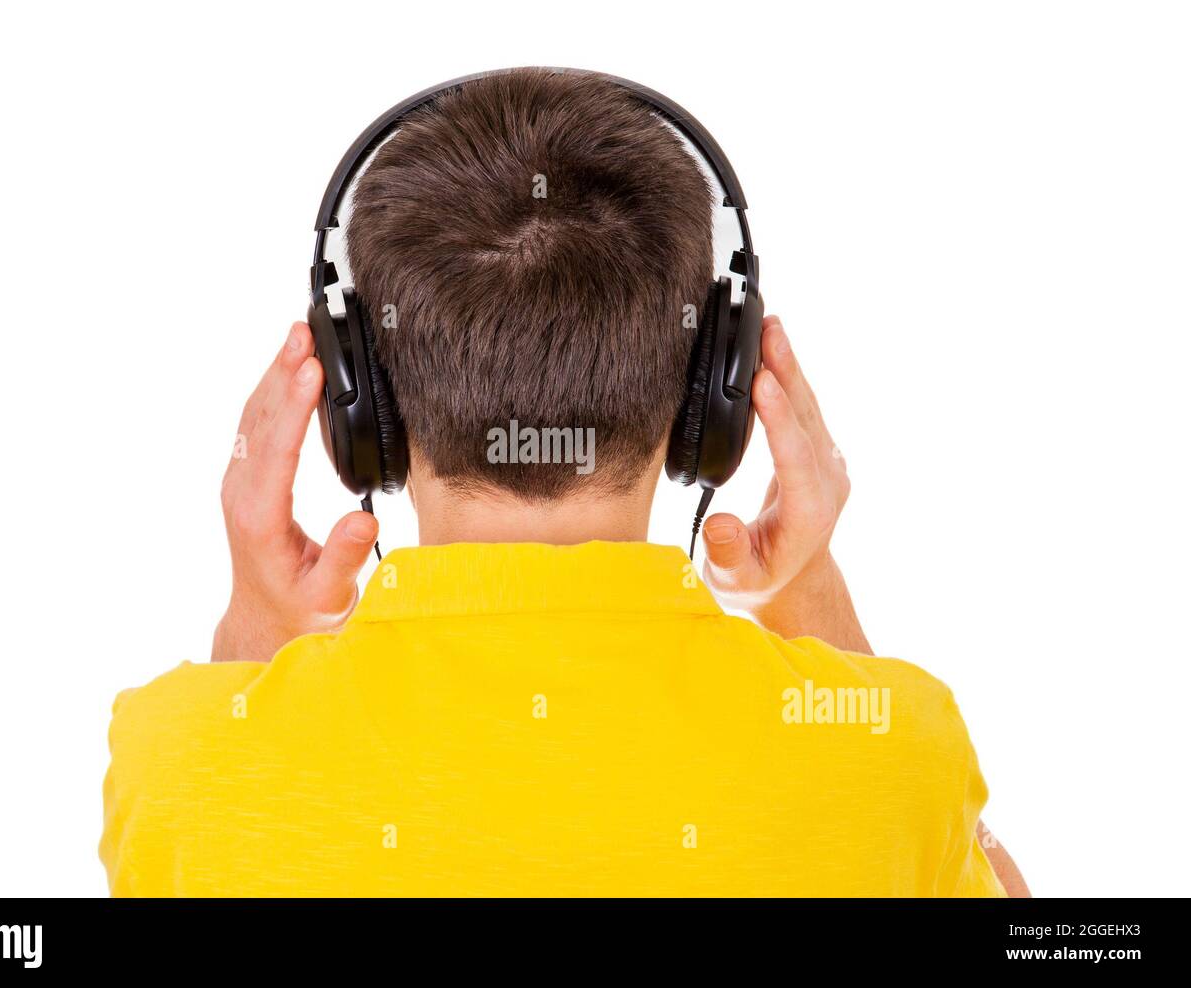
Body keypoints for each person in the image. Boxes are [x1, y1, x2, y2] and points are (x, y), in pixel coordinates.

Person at [100, 68, 1026, 896]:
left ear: (362, 400)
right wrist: (807, 592)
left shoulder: (173, 763)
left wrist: (258, 622)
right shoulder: (898, 753)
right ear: (715, 393)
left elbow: (219, 830)